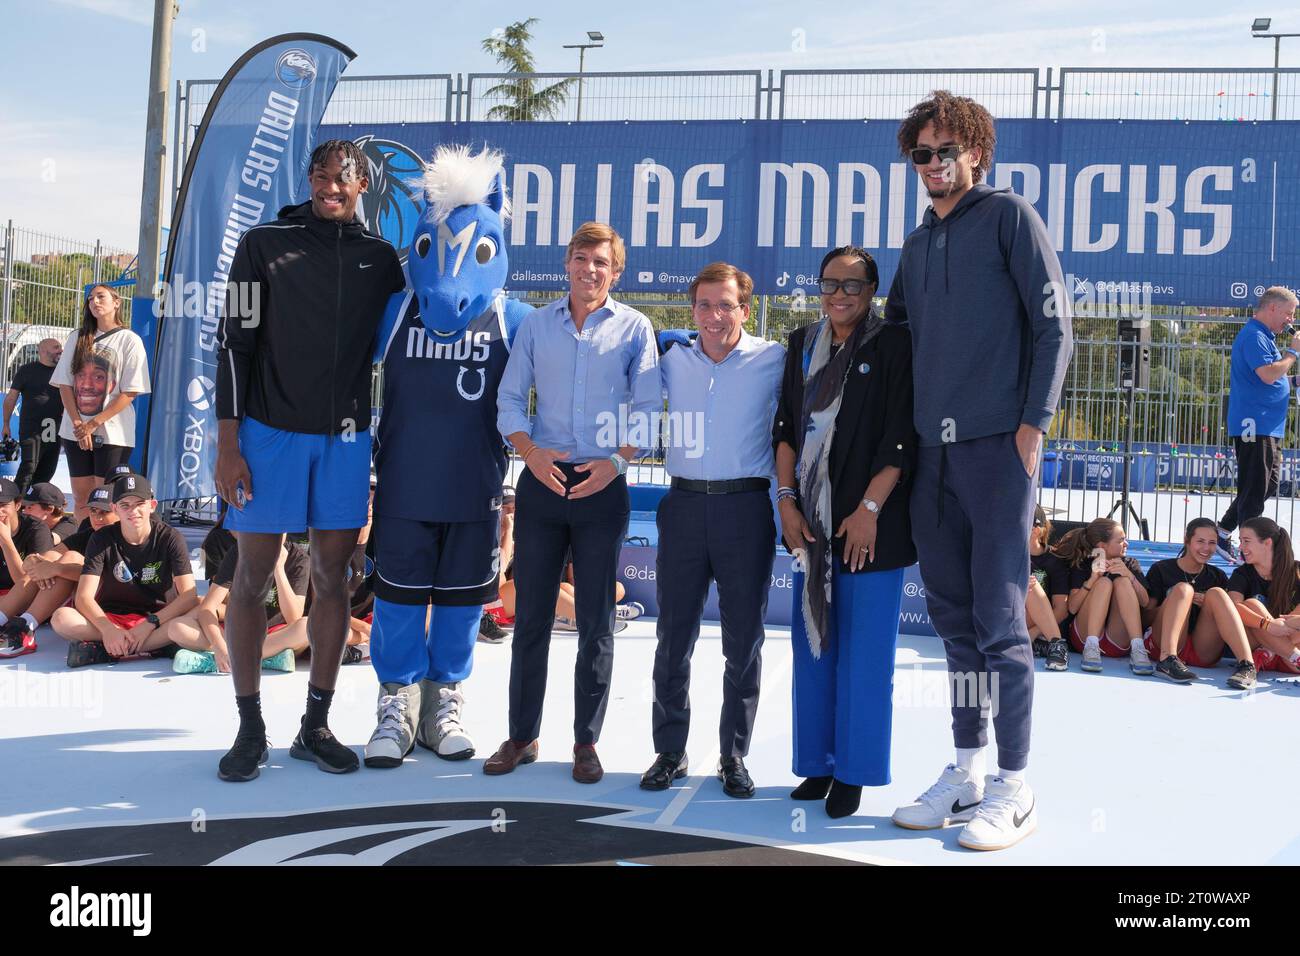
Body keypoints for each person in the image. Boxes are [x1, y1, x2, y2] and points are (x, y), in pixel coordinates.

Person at [886, 91, 1072, 852]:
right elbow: (893, 346)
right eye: (920, 156)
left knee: (1000, 625)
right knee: (955, 628)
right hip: (931, 456)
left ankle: (1015, 787)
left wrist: (1034, 425)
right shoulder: (916, 245)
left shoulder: (1009, 217)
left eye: (943, 152)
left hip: (998, 449)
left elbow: (1056, 323)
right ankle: (967, 772)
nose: (932, 166)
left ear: (976, 153)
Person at [212, 139, 405, 781]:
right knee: (252, 575)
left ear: (363, 186)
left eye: (343, 180)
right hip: (267, 437)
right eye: (321, 177)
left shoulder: (382, 259)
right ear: (310, 180)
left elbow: (406, 347)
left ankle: (315, 725)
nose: (331, 188)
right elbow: (234, 346)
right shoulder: (261, 243)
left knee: (333, 577)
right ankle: (249, 728)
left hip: (346, 440)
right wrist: (228, 443)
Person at [490, 221, 659, 783]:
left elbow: (649, 409)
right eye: (582, 258)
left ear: (616, 272)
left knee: (595, 622)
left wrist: (615, 463)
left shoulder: (636, 329)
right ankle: (521, 736)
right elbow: (509, 399)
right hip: (541, 481)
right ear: (567, 263)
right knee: (531, 618)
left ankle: (586, 742)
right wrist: (531, 454)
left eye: (601, 263)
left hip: (603, 486)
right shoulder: (537, 325)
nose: (590, 269)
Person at [773, 247, 915, 818]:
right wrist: (786, 503)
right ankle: (818, 764)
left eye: (853, 286)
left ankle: (854, 772)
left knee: (864, 655)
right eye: (831, 283)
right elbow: (784, 428)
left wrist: (869, 509)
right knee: (814, 646)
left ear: (872, 289)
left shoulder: (894, 344)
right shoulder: (801, 343)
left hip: (871, 528)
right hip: (809, 521)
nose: (840, 295)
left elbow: (902, 436)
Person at [643, 262, 785, 799]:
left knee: (743, 642)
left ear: (745, 310)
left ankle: (733, 755)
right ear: (692, 310)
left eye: (726, 305)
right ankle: (670, 752)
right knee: (672, 639)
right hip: (681, 507)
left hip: (745, 511)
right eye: (704, 305)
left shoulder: (773, 359)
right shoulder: (671, 359)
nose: (714, 315)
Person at [51, 474, 198, 668]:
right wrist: (108, 629)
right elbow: (84, 597)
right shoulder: (101, 538)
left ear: (152, 505)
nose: (133, 511)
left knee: (191, 618)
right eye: (125, 505)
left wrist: (150, 623)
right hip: (112, 616)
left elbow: (189, 596)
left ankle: (109, 649)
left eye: (139, 504)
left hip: (158, 618)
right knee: (62, 619)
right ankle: (154, 646)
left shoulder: (170, 537)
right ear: (114, 508)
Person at [49, 284, 150, 521]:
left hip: (113, 432)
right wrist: (78, 424)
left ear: (116, 302)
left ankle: (105, 550)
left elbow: (130, 391)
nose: (94, 301)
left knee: (106, 497)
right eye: (90, 298)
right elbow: (65, 384)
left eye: (100, 296)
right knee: (81, 496)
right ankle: (84, 548)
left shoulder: (129, 340)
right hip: (75, 430)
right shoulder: (77, 337)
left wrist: (92, 424)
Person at [1218, 287, 1300, 557]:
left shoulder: (1263, 337)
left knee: (1265, 485)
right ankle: (1248, 552)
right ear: (1272, 308)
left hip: (1266, 424)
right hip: (1255, 423)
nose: (1291, 320)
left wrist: (1292, 381)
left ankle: (1223, 532)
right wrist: (1292, 353)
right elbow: (1267, 374)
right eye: (1289, 313)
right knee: (1255, 489)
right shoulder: (1254, 336)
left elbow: (1270, 379)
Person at [1141, 518, 1256, 689]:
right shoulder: (1162, 569)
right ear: (1187, 540)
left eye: (1212, 543)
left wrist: (1209, 606)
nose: (1206, 548)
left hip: (1203, 648)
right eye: (1200, 541)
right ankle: (1167, 661)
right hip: (1164, 643)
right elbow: (1146, 617)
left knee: (1217, 594)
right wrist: (1175, 602)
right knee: (1183, 590)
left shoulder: (1218, 576)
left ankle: (1247, 665)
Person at [168, 536, 308, 675]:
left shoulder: (298, 557)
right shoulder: (240, 551)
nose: (270, 532)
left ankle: (222, 660)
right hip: (238, 632)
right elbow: (208, 608)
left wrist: (278, 569)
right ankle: (265, 658)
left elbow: (293, 617)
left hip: (276, 632)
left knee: (307, 627)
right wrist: (218, 646)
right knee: (177, 628)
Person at [1056, 518, 1151, 674]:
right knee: (1104, 583)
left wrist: (1129, 576)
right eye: (1121, 540)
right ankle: (1091, 647)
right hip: (1084, 636)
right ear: (1102, 546)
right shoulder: (1084, 564)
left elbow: (1145, 602)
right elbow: (1072, 608)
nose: (1126, 543)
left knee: (1122, 583)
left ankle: (1138, 648)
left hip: (1118, 641)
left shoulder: (1130, 563)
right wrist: (1093, 578)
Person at [1225, 517, 1300, 675]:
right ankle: (1293, 656)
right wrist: (1268, 625)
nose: (1241, 547)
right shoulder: (1242, 574)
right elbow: (1232, 608)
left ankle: (1271, 650)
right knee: (1252, 605)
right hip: (1255, 648)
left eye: (1246, 541)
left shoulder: (1296, 571)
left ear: (1267, 542)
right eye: (1240, 541)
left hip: (1286, 649)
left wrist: (1286, 623)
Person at [0, 478, 55, 658]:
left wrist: (6, 541)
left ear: (17, 504)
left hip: (29, 599)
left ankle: (21, 631)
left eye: (3, 505)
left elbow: (29, 583)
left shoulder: (36, 529)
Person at [3, 337, 64, 493]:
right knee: (29, 465)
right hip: (32, 427)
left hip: (54, 427)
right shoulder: (26, 370)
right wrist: (6, 424)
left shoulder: (63, 371)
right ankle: (15, 502)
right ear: (43, 351)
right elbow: (11, 398)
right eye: (56, 347)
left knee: (48, 468)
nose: (60, 350)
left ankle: (34, 504)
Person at [1027, 505, 1069, 671]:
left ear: (1036, 530)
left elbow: (1062, 609)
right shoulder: (1006, 554)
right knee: (1025, 582)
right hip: (1013, 617)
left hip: (1040, 622)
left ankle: (1055, 644)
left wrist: (1033, 633)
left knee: (1031, 584)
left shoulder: (1054, 560)